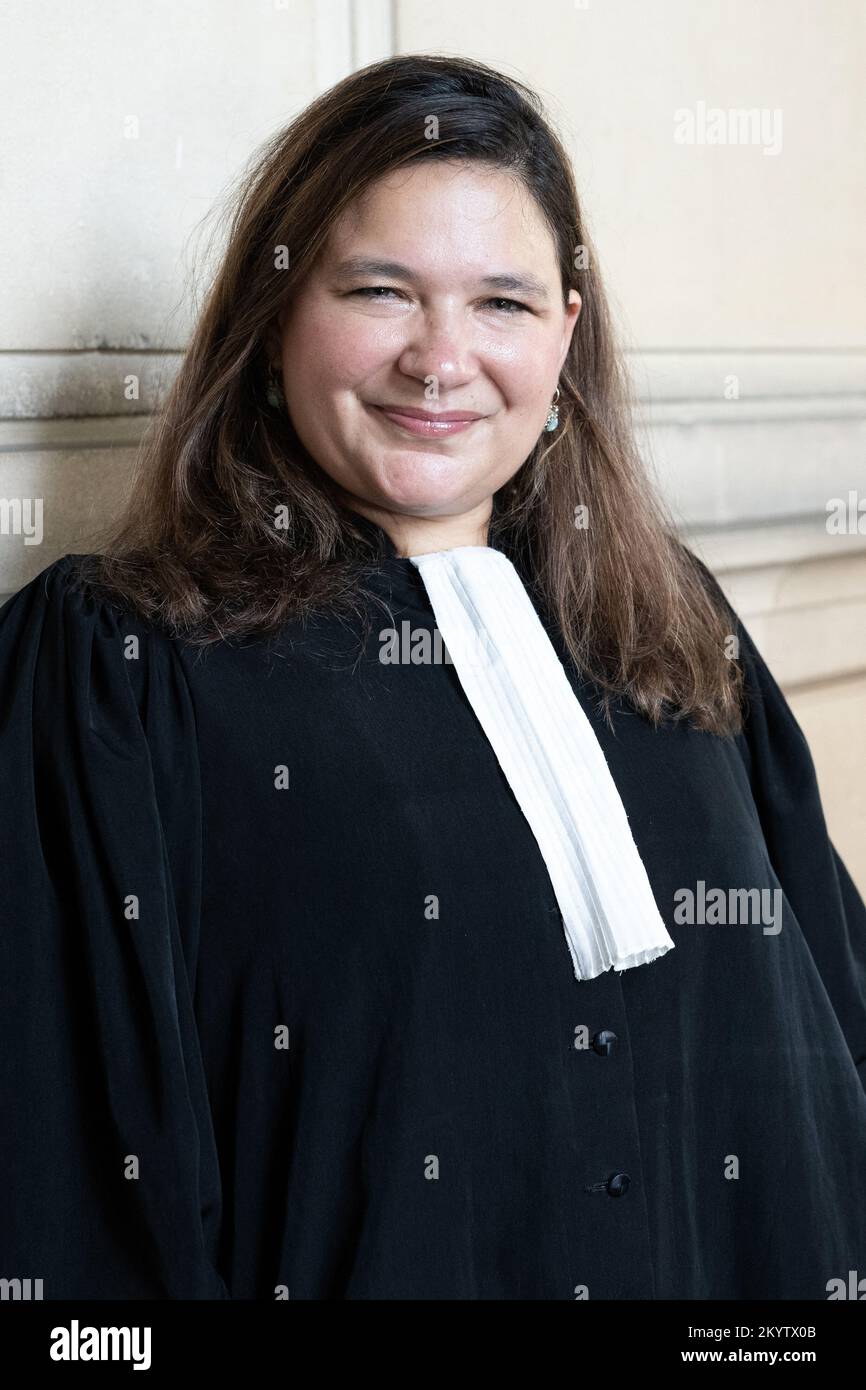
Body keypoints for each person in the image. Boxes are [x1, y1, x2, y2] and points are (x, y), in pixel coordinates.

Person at [1, 53, 864, 1302]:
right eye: (379, 290)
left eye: (501, 302)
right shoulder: (120, 670)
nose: (439, 359)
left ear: (565, 334)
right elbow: (75, 1193)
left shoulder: (665, 621)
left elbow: (828, 1052)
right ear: (273, 314)